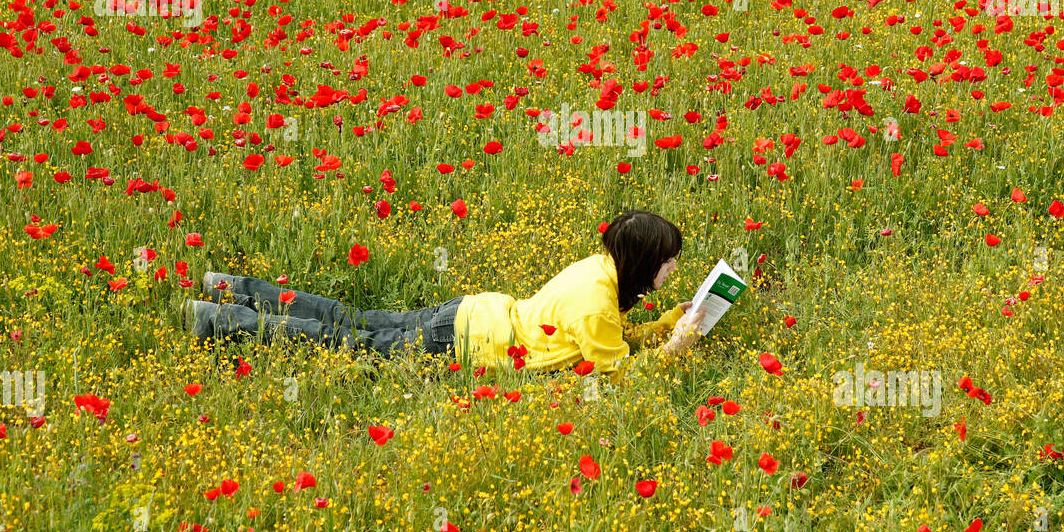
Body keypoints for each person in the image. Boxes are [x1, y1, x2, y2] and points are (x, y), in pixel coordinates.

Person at [180, 210, 704, 383]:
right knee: (344, 343)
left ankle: (231, 290)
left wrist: (667, 324)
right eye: (669, 260)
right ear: (642, 262)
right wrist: (674, 351)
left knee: (352, 320)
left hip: (471, 313)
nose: (674, 267)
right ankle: (217, 322)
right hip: (464, 342)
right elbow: (615, 369)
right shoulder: (596, 301)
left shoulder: (599, 270)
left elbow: (610, 339)